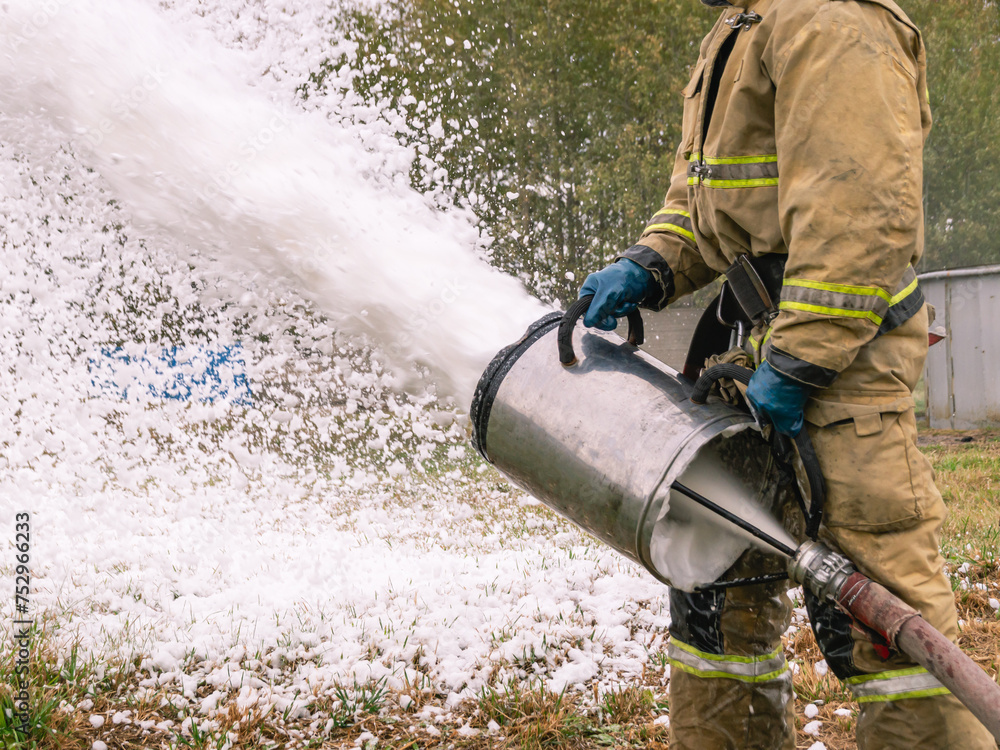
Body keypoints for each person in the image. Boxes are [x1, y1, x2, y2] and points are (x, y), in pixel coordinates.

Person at [577, 0, 997, 747]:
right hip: (743, 359)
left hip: (841, 375)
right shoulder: (741, 29)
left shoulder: (832, 22)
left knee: (885, 624)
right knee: (716, 606)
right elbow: (706, 206)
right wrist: (650, 263)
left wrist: (798, 362)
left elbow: (861, 218)